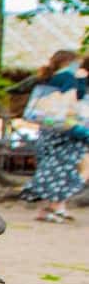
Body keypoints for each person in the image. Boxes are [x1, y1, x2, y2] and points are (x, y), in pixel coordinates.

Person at [24, 50, 88, 222]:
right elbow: (75, 100)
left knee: (50, 168)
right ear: (69, 62)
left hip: (48, 129)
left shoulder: (47, 78)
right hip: (65, 130)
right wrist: (81, 79)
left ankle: (50, 208)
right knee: (62, 169)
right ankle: (55, 207)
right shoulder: (68, 78)